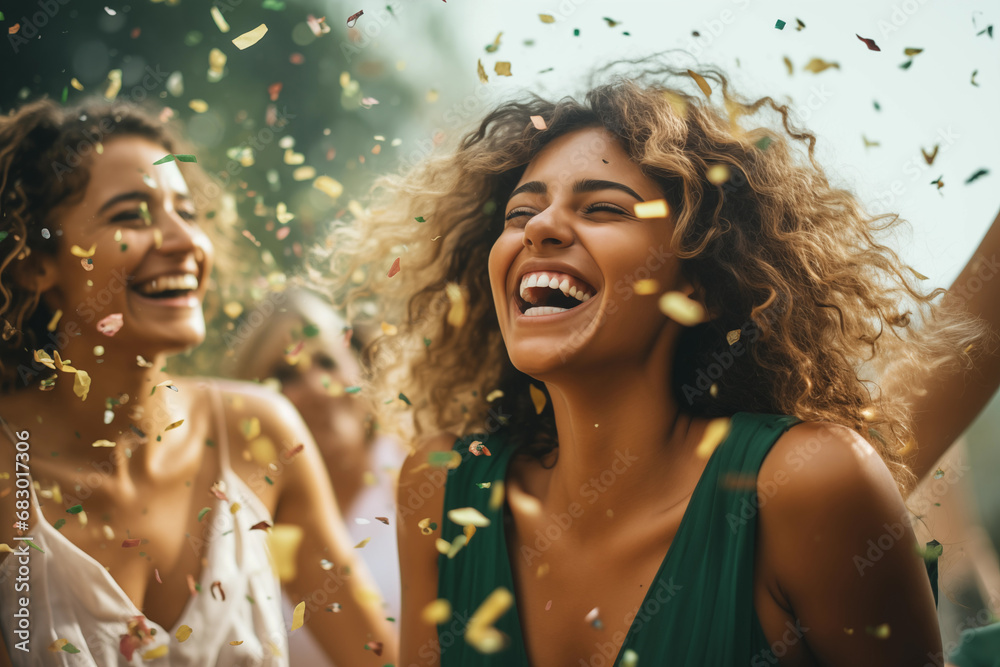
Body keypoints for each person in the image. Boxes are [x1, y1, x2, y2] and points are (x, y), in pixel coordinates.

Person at [326, 62, 1000, 665]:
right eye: (520, 212)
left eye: (602, 208)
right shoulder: (443, 486)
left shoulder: (808, 482)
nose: (539, 227)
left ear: (699, 285)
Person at [0, 99, 397, 665]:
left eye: (185, 212)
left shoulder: (260, 430)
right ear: (35, 262)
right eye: (131, 217)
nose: (185, 242)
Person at [232, 288, 405, 666]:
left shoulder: (420, 478)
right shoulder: (237, 515)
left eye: (326, 362)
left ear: (361, 367)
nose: (316, 388)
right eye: (286, 374)